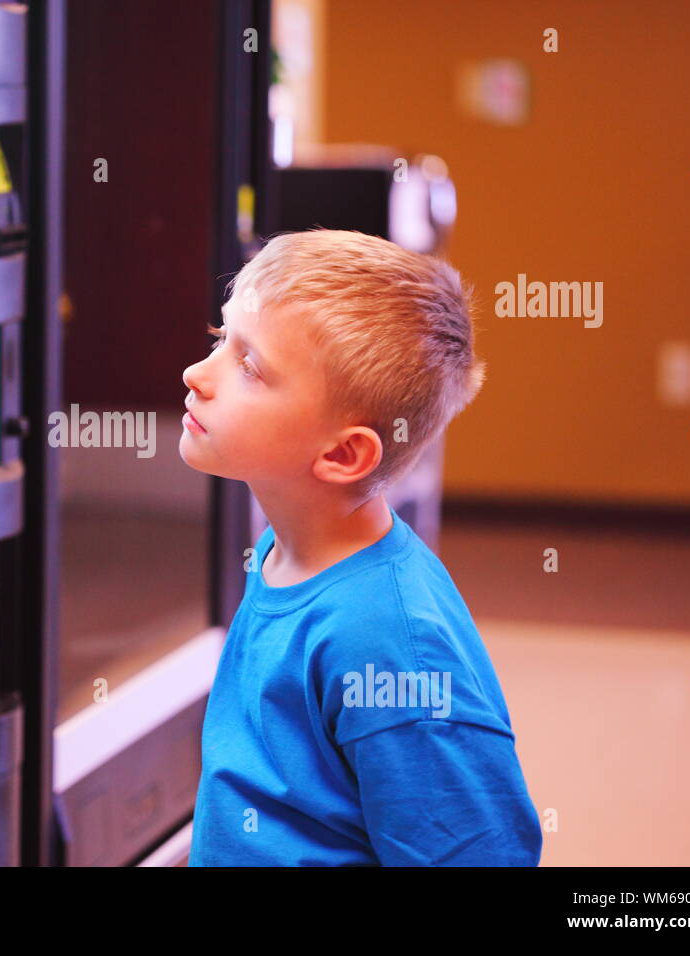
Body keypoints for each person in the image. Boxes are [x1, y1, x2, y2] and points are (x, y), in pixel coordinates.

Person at [182, 229, 541, 866]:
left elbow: (477, 852)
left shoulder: (387, 639)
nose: (197, 376)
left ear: (344, 454)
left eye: (249, 367)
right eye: (221, 340)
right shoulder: (283, 550)